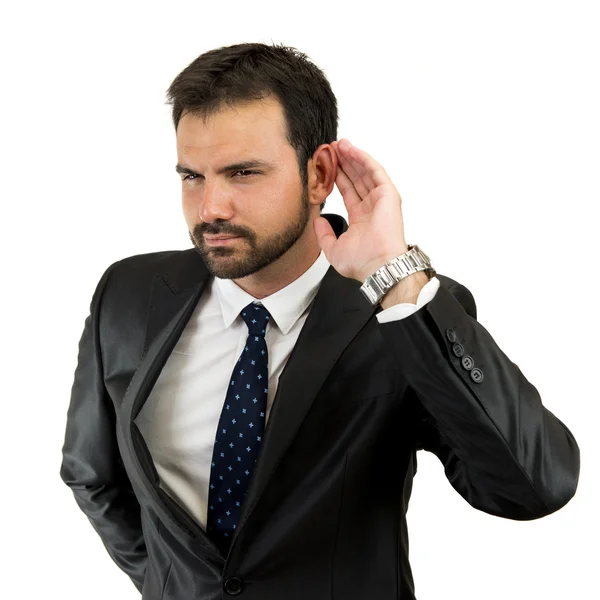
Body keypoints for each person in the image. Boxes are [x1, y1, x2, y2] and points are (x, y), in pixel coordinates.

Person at [60, 42, 580, 600]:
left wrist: (395, 277)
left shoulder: (402, 314)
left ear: (319, 175)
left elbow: (533, 487)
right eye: (192, 176)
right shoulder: (130, 293)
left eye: (243, 173)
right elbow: (93, 473)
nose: (210, 207)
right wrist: (169, 584)